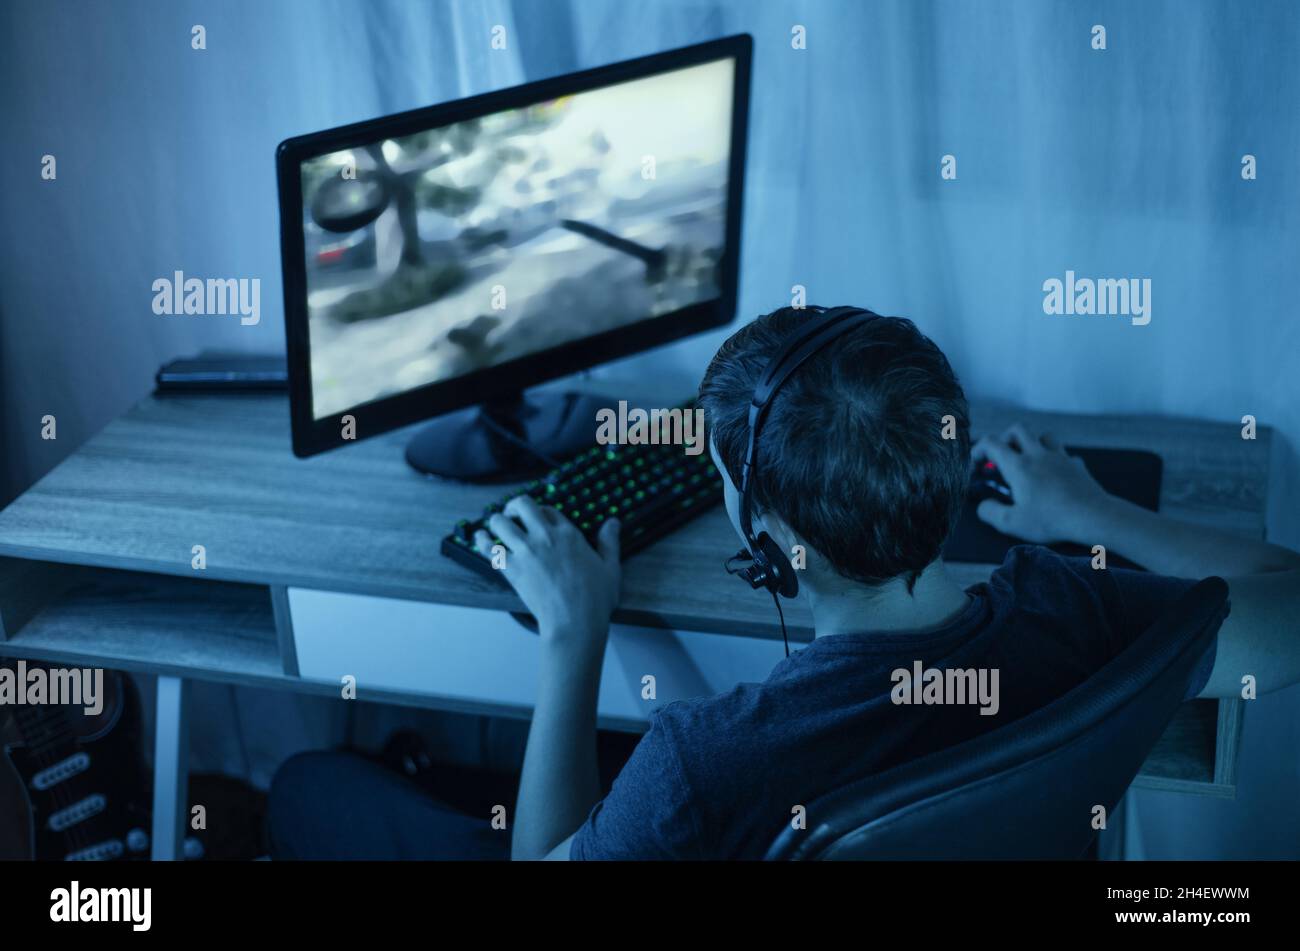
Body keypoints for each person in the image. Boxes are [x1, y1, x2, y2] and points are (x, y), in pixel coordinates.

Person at [268, 305, 1300, 861]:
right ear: (949, 472)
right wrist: (1090, 514)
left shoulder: (704, 765)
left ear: (755, 523)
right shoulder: (1072, 606)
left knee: (313, 792)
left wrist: (571, 641)